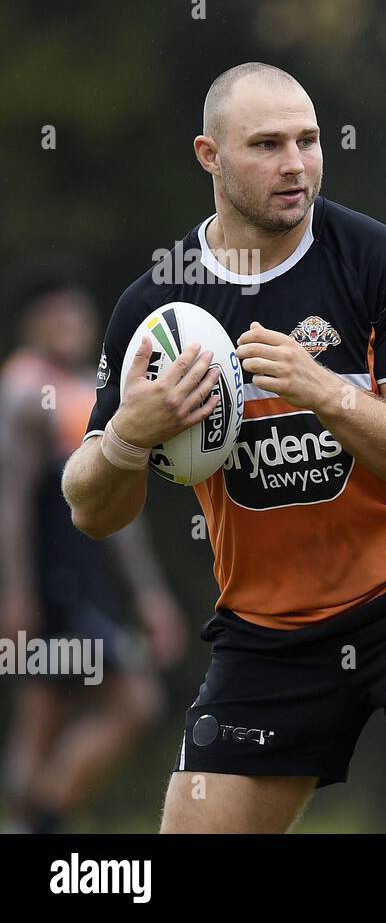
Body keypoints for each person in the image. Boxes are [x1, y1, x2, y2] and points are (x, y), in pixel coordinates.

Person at [60, 62, 386, 833]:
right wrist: (129, 439)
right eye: (267, 145)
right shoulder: (157, 307)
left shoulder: (384, 262)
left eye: (307, 141)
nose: (296, 164)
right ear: (209, 156)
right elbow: (91, 507)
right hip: (270, 631)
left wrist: (330, 391)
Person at [0, 274, 185, 833]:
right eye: (55, 316)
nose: (69, 327)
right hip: (51, 581)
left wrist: (149, 594)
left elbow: (121, 517)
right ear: (31, 324)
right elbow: (7, 499)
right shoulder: (25, 391)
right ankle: (42, 822)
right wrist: (15, 593)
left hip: (85, 580)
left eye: (77, 316)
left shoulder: (90, 389)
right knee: (131, 699)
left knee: (48, 709)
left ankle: (32, 821)